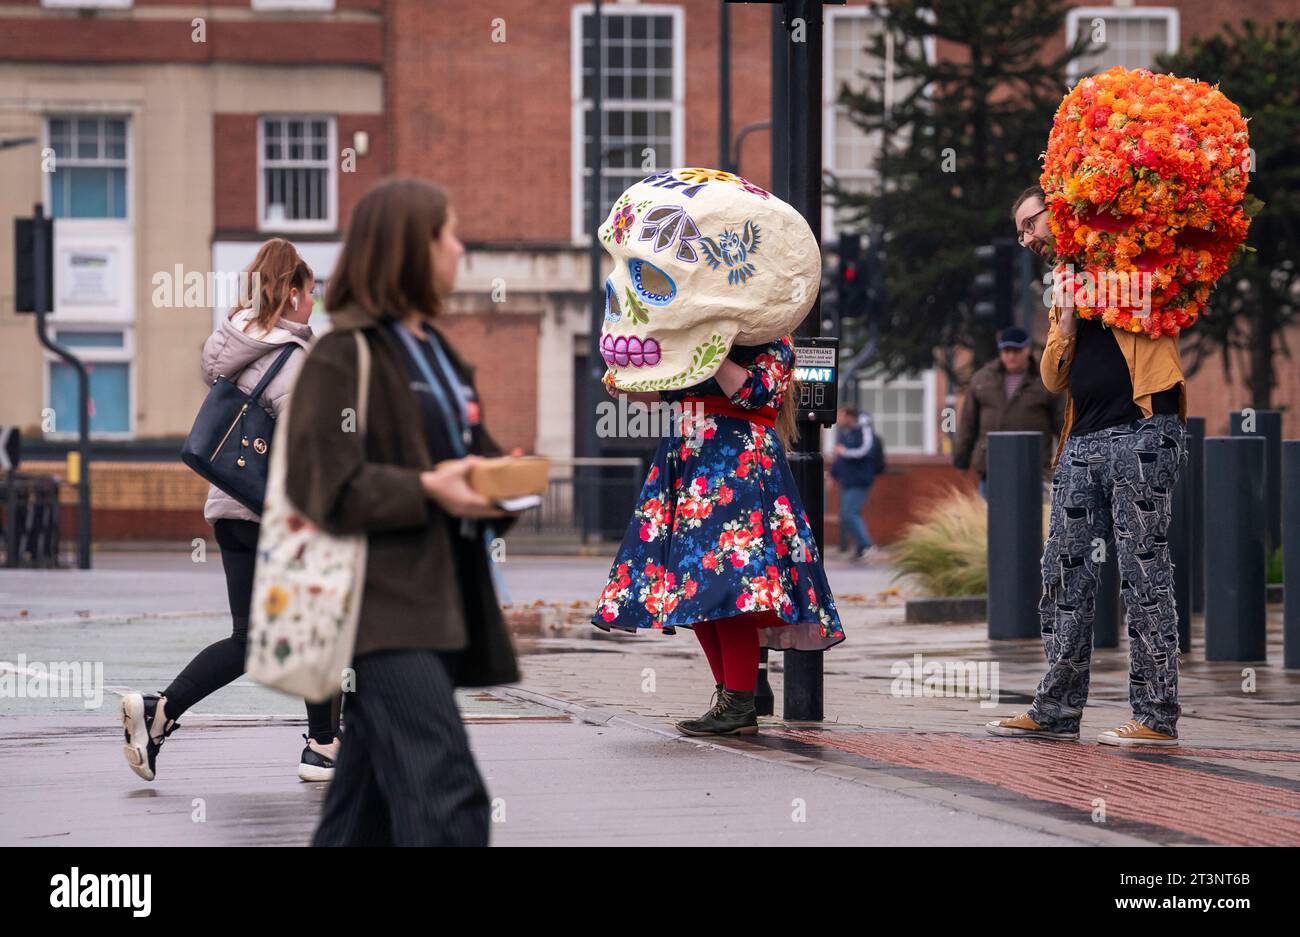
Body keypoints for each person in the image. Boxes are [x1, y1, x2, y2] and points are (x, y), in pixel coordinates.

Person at [284, 178, 521, 846]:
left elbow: (467, 460)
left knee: (363, 812)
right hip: (377, 611)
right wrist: (427, 487)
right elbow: (321, 488)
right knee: (449, 798)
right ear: (411, 248)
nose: (460, 247)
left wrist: (502, 482)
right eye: (449, 233)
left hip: (438, 602)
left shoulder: (438, 353)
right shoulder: (343, 352)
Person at [121, 239, 341, 783]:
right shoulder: (294, 359)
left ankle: (161, 712)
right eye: (310, 293)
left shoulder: (231, 343)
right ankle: (323, 746)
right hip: (277, 513)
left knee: (251, 638)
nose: (314, 304)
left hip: (229, 508)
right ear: (291, 294)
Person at [986, 184, 1188, 747]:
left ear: (1063, 211)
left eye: (1032, 223)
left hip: (1145, 430)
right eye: (1021, 231)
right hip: (1083, 439)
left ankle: (1155, 716)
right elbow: (1053, 378)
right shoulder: (1065, 282)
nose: (1027, 238)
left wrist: (1097, 279)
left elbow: (1159, 299)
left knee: (1144, 574)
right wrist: (1067, 319)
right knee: (1063, 571)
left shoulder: (1131, 251)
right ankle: (1056, 708)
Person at [592, 338, 845, 737]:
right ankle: (733, 699)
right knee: (692, 591)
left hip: (737, 465)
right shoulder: (708, 340)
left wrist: (712, 349)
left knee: (727, 587)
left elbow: (748, 392)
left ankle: (739, 702)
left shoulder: (777, 346)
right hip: (688, 459)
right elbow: (667, 395)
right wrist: (627, 386)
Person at [953, 325, 1064, 499]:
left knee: (1030, 520)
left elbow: (1063, 424)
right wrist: (961, 458)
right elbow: (968, 422)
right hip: (991, 466)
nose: (1011, 356)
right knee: (989, 520)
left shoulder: (1045, 380)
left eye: (1016, 350)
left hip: (1033, 467)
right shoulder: (982, 379)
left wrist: (1068, 460)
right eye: (1006, 351)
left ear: (1027, 350)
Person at [830, 405, 884, 560]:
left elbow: (865, 450)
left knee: (849, 513)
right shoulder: (845, 433)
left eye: (841, 416)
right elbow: (839, 456)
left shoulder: (864, 431)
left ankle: (867, 545)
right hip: (848, 480)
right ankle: (861, 547)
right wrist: (834, 474)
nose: (838, 419)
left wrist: (845, 452)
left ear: (849, 417)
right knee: (847, 514)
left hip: (860, 480)